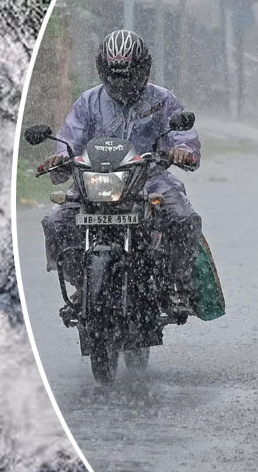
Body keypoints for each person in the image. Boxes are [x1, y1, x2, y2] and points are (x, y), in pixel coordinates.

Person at [40, 29, 202, 319]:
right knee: (56, 221)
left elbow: (184, 137)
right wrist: (60, 158)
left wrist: (182, 151)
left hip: (150, 179)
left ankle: (179, 286)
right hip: (95, 181)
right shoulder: (88, 102)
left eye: (128, 75)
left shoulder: (162, 100)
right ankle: (82, 283)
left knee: (184, 218)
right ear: (103, 71)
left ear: (143, 68)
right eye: (114, 76)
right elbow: (69, 140)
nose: (121, 83)